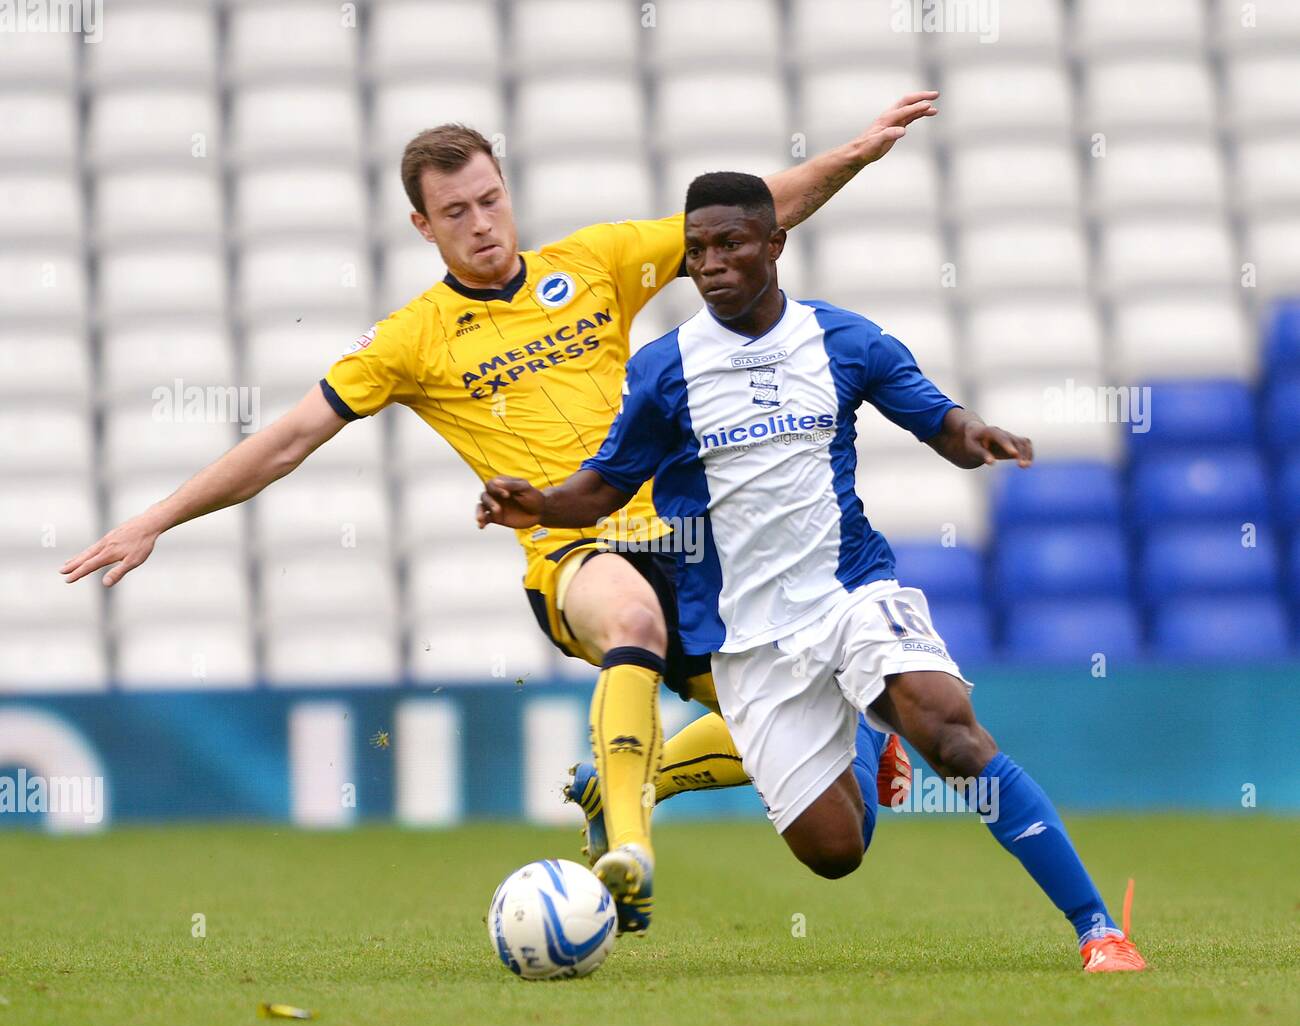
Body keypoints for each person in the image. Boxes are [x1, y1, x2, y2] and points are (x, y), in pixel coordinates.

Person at [61, 98, 941, 934]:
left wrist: (855, 153)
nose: (480, 222)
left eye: (489, 199)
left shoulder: (595, 262)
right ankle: (629, 855)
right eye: (455, 211)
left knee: (836, 826)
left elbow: (757, 211)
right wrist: (158, 519)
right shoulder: (412, 338)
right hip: (574, 550)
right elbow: (289, 439)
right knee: (630, 619)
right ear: (423, 226)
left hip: (697, 549)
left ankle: (627, 782)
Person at [476, 172, 1148, 972]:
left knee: (951, 733)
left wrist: (979, 437)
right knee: (836, 850)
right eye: (696, 251)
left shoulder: (843, 340)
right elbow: (606, 484)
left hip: (851, 592)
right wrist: (540, 505)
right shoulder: (666, 369)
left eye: (729, 244)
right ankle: (866, 731)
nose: (711, 264)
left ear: (775, 243)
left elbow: (938, 419)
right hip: (749, 641)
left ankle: (1097, 927)